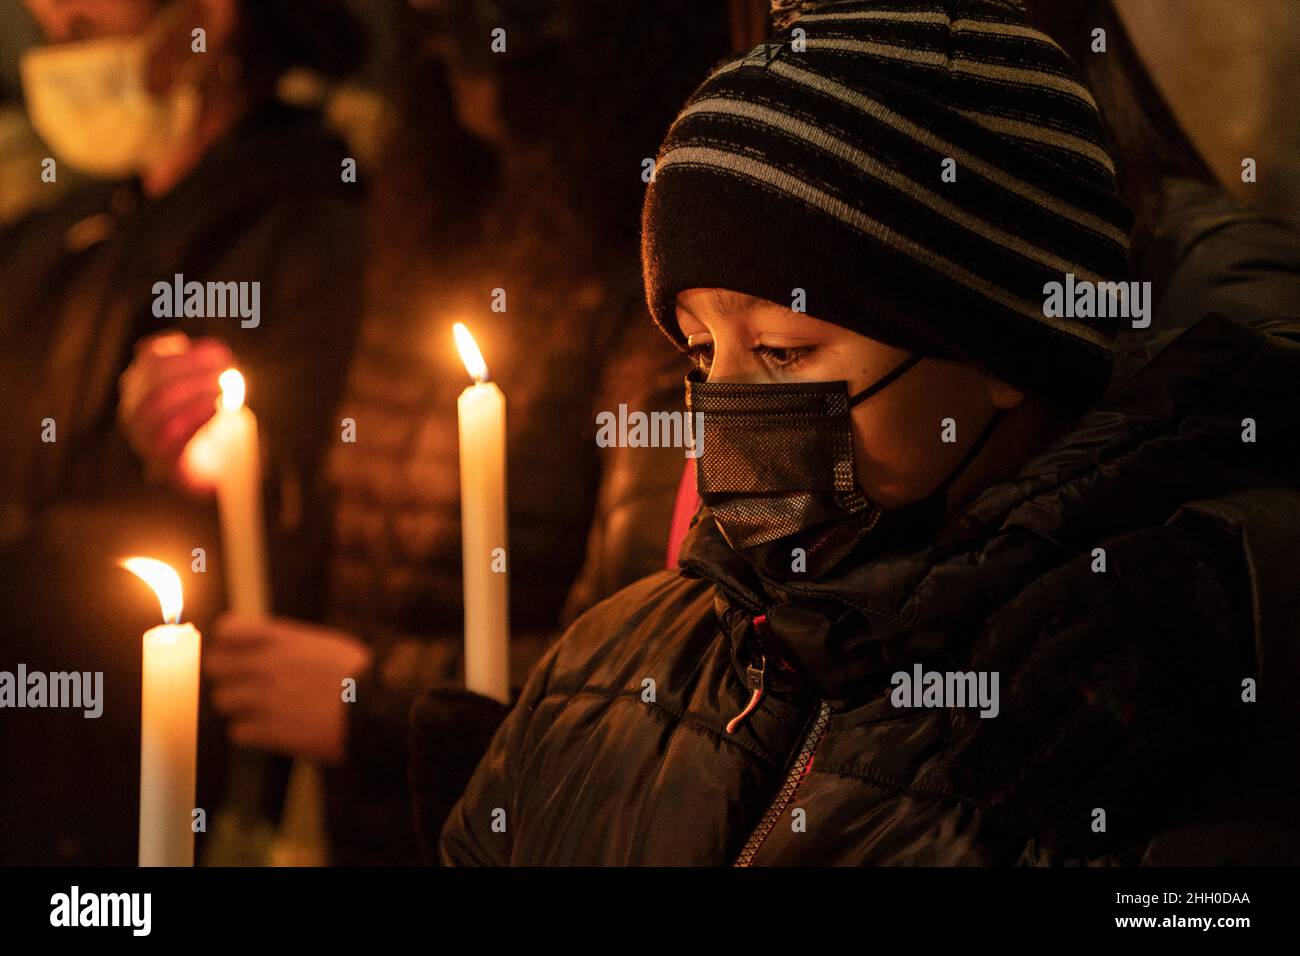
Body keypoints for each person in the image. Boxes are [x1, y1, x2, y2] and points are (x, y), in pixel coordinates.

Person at [435, 0, 1300, 865]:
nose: (722, 410)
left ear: (998, 353)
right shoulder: (611, 661)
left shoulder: (1125, 732)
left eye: (783, 350)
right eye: (698, 352)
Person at [202, 0, 730, 865]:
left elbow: (643, 649)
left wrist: (368, 700)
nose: (462, 76)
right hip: (369, 825)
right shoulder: (428, 226)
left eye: (490, 48)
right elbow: (369, 539)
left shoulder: (650, 293)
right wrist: (242, 465)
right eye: (437, 44)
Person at [0, 0, 365, 864]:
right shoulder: (57, 233)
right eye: (47, 34)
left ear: (208, 20)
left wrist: (234, 445)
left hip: (165, 766)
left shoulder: (317, 223)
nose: (58, 45)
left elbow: (294, 477)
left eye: (85, 28)